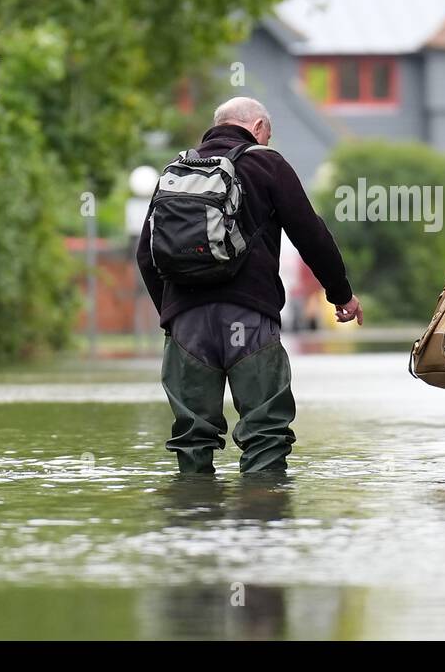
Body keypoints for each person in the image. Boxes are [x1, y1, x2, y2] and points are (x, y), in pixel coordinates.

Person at [137, 97, 362, 474]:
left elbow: (146, 254)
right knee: (265, 435)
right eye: (267, 136)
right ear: (258, 127)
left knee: (192, 441)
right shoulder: (266, 162)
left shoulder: (175, 171)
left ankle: (192, 520)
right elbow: (310, 234)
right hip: (249, 319)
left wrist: (172, 317)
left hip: (186, 326)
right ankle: (262, 519)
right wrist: (341, 294)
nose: (267, 143)